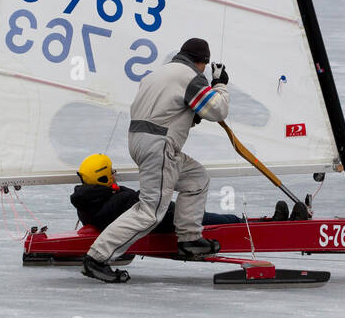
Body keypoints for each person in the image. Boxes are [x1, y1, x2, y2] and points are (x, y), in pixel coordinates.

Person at [82, 37, 229, 283]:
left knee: (197, 178)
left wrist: (190, 115)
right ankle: (96, 258)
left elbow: (165, 109)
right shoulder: (192, 77)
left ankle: (190, 239)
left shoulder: (157, 74)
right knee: (150, 212)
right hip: (160, 146)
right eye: (205, 65)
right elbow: (217, 110)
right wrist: (219, 85)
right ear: (202, 62)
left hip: (141, 142)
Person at [70, 154, 266, 233]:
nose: (114, 175)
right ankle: (263, 224)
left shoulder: (87, 204)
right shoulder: (120, 199)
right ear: (102, 178)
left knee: (217, 218)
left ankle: (260, 221)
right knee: (223, 221)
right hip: (171, 222)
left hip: (163, 220)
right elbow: (151, 199)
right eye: (111, 173)